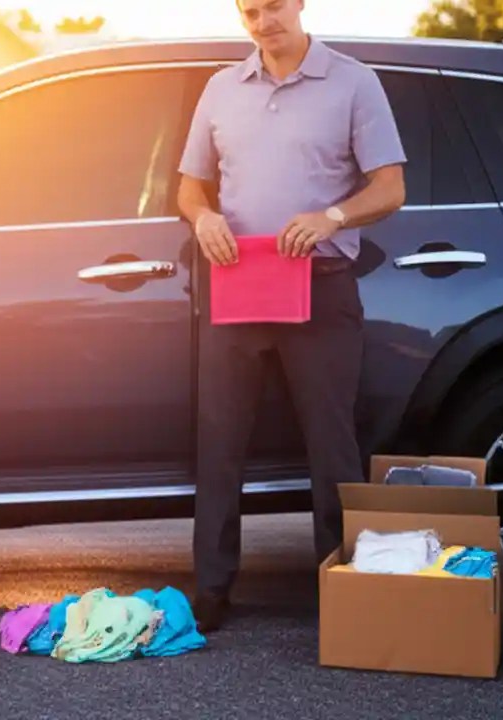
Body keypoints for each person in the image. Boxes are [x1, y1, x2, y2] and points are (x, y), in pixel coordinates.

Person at [177, 0, 407, 633]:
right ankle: (213, 591)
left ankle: (339, 591)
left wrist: (331, 218)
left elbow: (391, 186)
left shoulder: (354, 81)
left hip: (322, 285)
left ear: (300, 3)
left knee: (332, 447)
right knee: (219, 443)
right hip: (239, 283)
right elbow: (188, 186)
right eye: (249, 11)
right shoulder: (221, 89)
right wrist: (204, 218)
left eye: (273, 6)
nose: (262, 21)